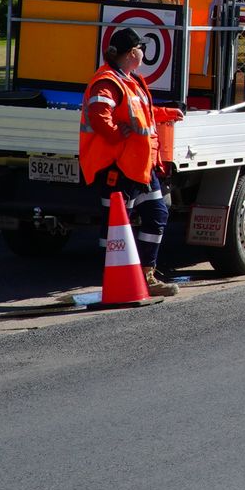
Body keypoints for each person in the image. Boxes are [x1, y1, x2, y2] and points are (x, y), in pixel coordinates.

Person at [79, 26, 183, 297]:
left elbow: (141, 114)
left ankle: (147, 273)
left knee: (157, 214)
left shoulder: (129, 79)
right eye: (141, 48)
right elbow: (100, 114)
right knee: (115, 225)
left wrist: (167, 113)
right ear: (130, 52)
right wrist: (115, 133)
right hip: (118, 167)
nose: (143, 52)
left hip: (141, 167)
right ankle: (114, 278)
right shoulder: (108, 81)